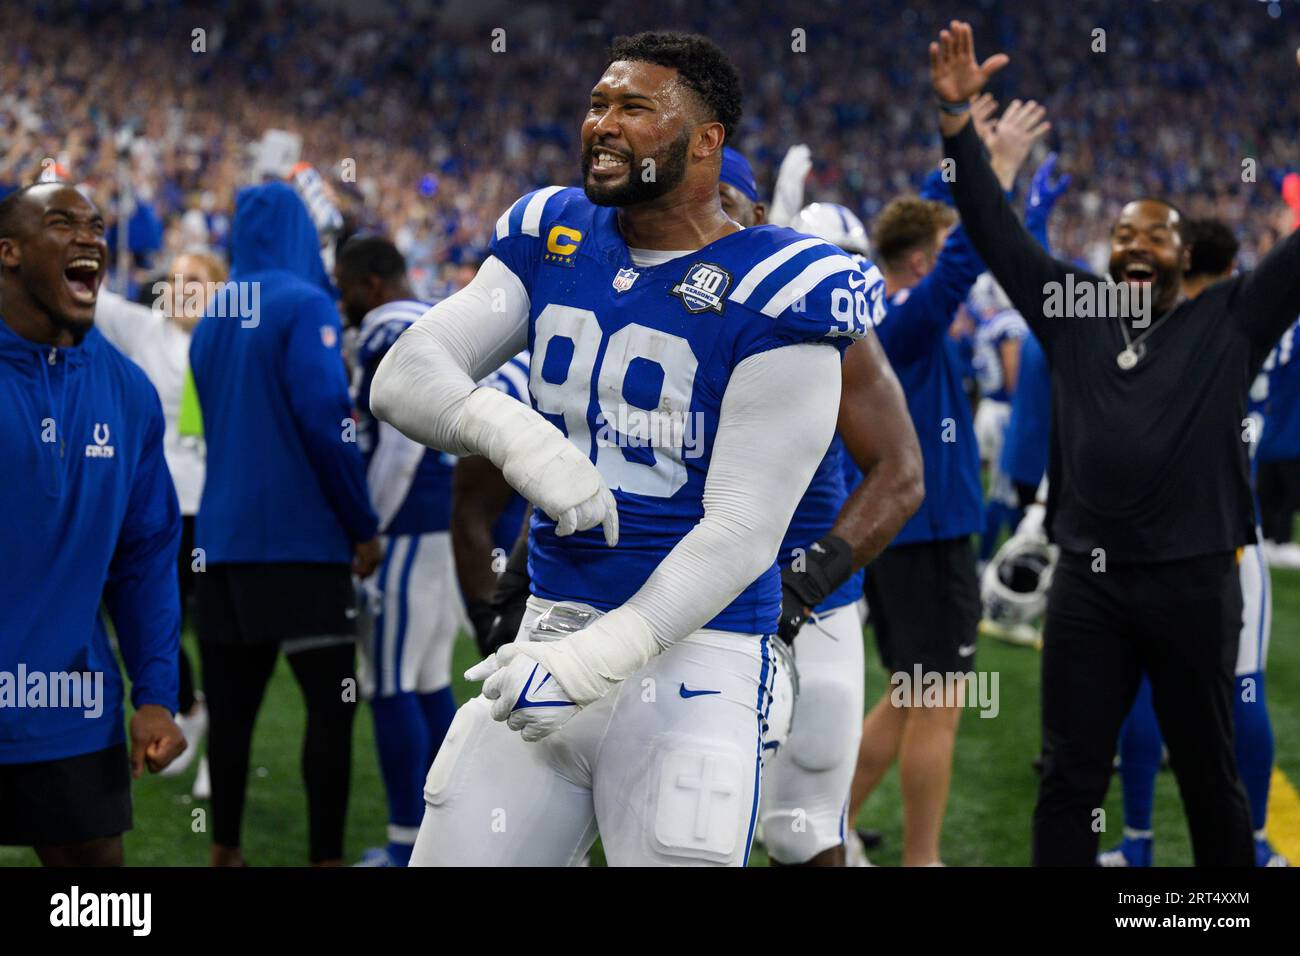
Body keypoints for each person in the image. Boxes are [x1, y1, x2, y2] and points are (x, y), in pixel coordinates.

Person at [372, 31, 872, 866]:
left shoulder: (784, 285)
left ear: (706, 140)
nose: (602, 124)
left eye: (635, 108)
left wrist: (595, 658)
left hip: (696, 665)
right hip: (549, 630)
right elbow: (407, 375)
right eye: (598, 103)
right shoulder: (552, 231)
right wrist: (520, 438)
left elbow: (745, 528)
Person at [930, 20, 1300, 866]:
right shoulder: (1073, 312)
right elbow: (992, 227)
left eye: (1155, 235)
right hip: (1088, 586)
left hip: (1196, 579)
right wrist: (956, 126)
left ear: (1182, 256)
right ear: (1109, 251)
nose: (1135, 244)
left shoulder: (1231, 317)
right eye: (1124, 235)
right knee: (1069, 773)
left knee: (1209, 775)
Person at [190, 182, 382, 867]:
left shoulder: (215, 314)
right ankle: (325, 858)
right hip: (301, 543)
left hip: (222, 544)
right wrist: (362, 523)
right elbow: (328, 416)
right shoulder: (304, 304)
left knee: (233, 715)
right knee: (331, 708)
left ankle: (225, 850)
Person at [0, 182, 186, 865]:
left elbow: (144, 556)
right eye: (61, 223)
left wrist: (157, 693)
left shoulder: (126, 391)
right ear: (9, 252)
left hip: (70, 711)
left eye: (96, 226)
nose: (89, 237)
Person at [1101, 219, 1288, 868]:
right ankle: (1256, 839)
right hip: (1231, 530)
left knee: (1147, 687)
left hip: (1155, 530)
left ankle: (1139, 841)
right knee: (1243, 686)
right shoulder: (1254, 318)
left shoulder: (1157, 320)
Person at [334, 234, 469, 867]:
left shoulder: (390, 327)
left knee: (389, 684)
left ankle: (406, 843)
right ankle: (452, 832)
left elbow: (398, 444)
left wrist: (373, 527)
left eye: (344, 285)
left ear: (368, 284)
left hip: (410, 526)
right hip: (448, 526)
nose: (341, 299)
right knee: (426, 681)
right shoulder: (440, 317)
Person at [94, 250, 227, 784]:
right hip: (154, 505)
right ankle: (188, 707)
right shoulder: (145, 329)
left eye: (194, 279)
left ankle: (222, 750)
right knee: (154, 619)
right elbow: (95, 298)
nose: (181, 287)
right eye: (174, 279)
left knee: (219, 631)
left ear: (220, 288)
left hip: (216, 504)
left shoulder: (235, 339)